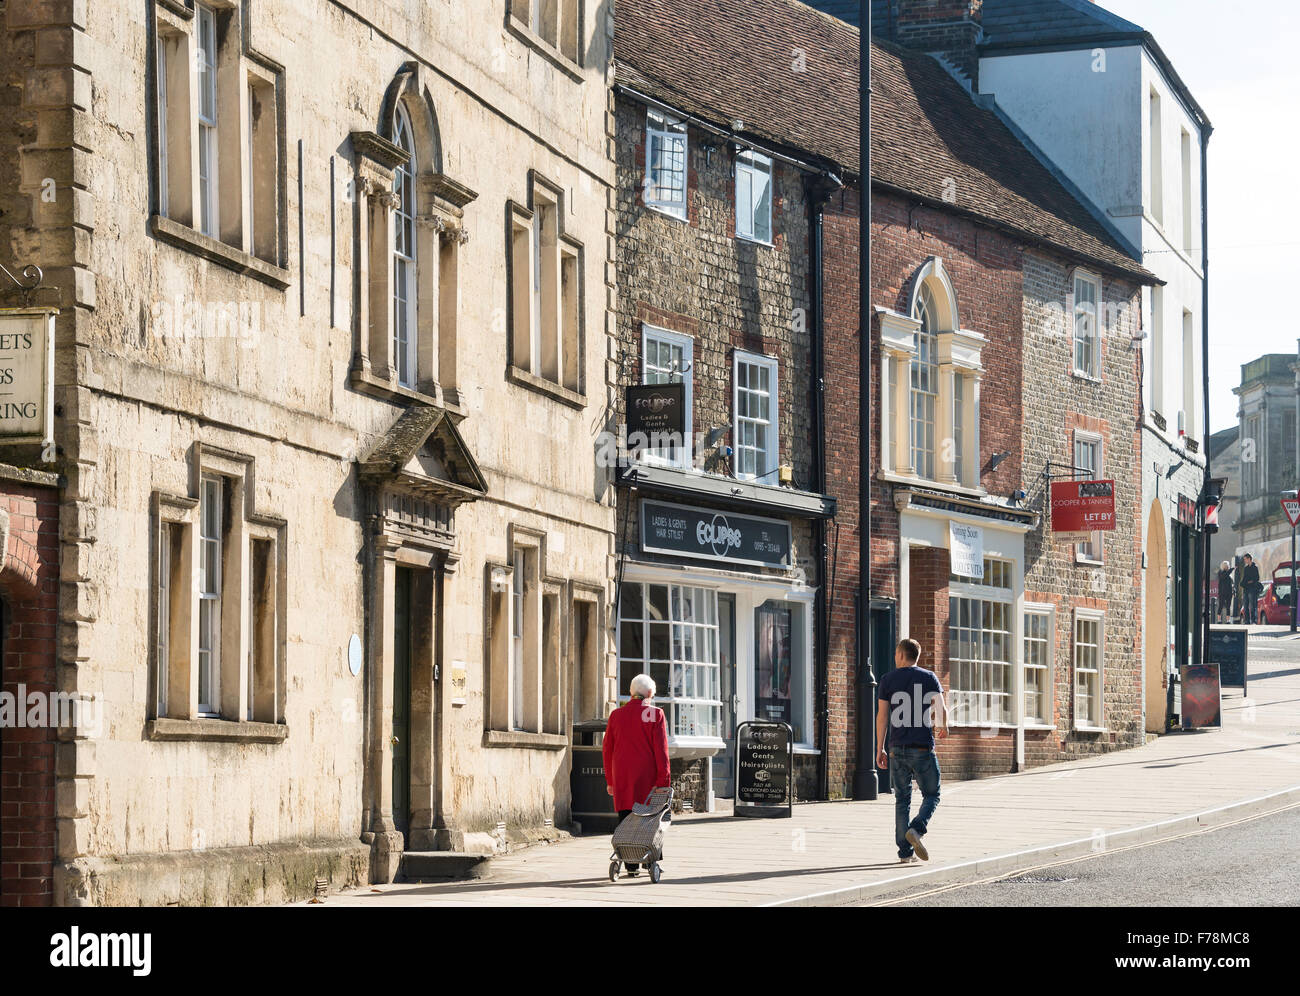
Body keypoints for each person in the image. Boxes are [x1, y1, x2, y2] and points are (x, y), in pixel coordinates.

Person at [876, 638, 948, 864]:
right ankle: (916, 829)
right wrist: (943, 726)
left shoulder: (887, 679)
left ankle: (905, 853)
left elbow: (882, 717)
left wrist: (879, 749)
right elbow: (941, 708)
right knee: (932, 794)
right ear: (916, 656)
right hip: (922, 747)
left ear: (899, 655)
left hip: (896, 748)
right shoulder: (929, 678)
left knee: (902, 799)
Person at [603, 673, 670, 876]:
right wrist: (664, 780)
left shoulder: (616, 715)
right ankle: (650, 861)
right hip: (648, 779)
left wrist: (610, 780)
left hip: (622, 776)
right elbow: (661, 751)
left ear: (632, 692)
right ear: (649, 693)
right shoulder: (656, 714)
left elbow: (607, 750)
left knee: (625, 818)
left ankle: (630, 864)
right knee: (652, 820)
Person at [1241, 554, 1261, 625]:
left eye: (1245, 559)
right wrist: (1242, 583)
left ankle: (1253, 621)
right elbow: (1244, 578)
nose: (1244, 560)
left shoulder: (1255, 567)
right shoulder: (1246, 568)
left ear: (1249, 559)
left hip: (1252, 589)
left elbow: (1257, 578)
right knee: (1245, 606)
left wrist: (1250, 581)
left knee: (1252, 606)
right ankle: (1247, 621)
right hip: (1246, 589)